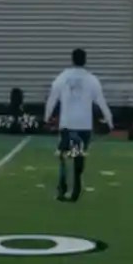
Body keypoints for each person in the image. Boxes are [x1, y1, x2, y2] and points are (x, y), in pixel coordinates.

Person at [45, 49, 114, 202]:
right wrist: (109, 120)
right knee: (78, 155)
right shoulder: (92, 79)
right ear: (85, 60)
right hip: (84, 125)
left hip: (67, 124)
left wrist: (47, 116)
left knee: (64, 155)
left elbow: (52, 98)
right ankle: (76, 187)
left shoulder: (63, 77)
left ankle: (63, 187)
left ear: (72, 60)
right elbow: (101, 102)